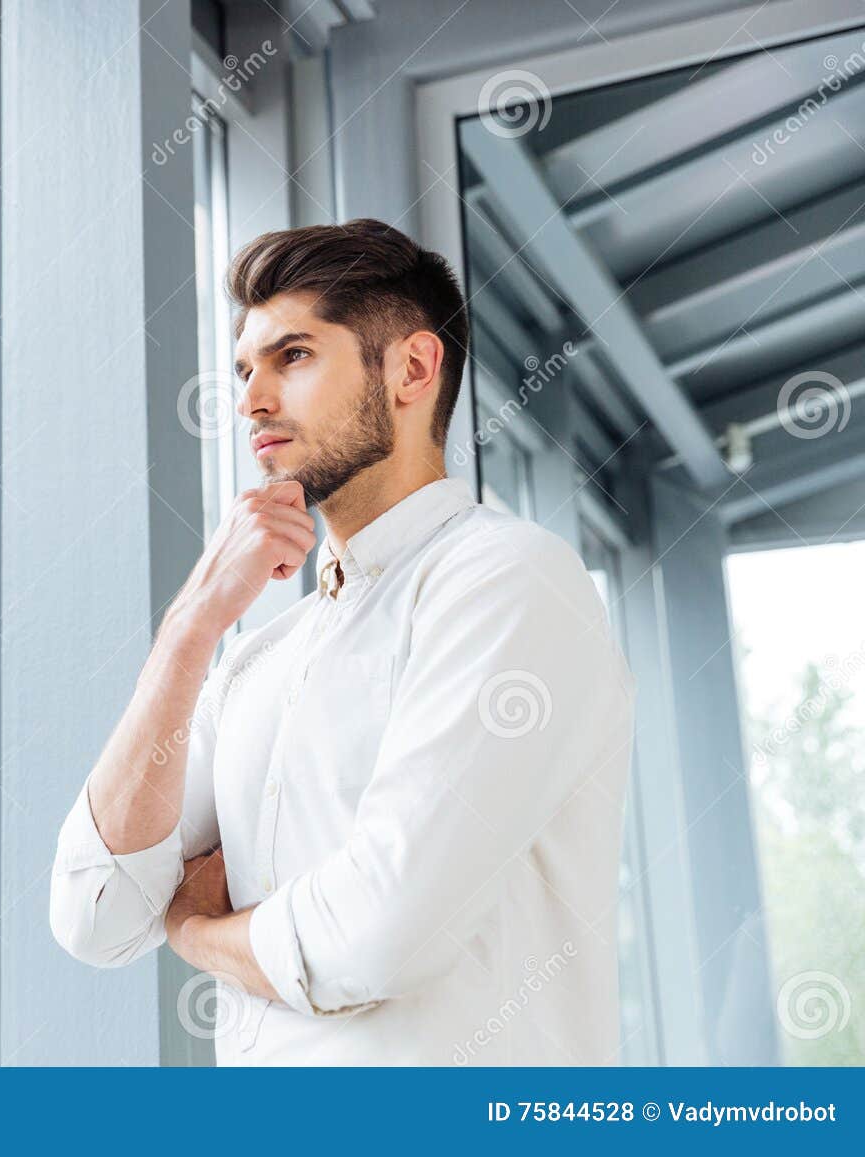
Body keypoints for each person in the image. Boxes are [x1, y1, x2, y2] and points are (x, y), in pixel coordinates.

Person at [49, 219, 636, 1065]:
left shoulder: (509, 580)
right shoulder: (258, 657)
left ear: (412, 368)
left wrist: (196, 930)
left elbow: (381, 931)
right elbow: (94, 914)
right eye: (246, 368)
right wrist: (190, 629)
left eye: (293, 357)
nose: (250, 399)